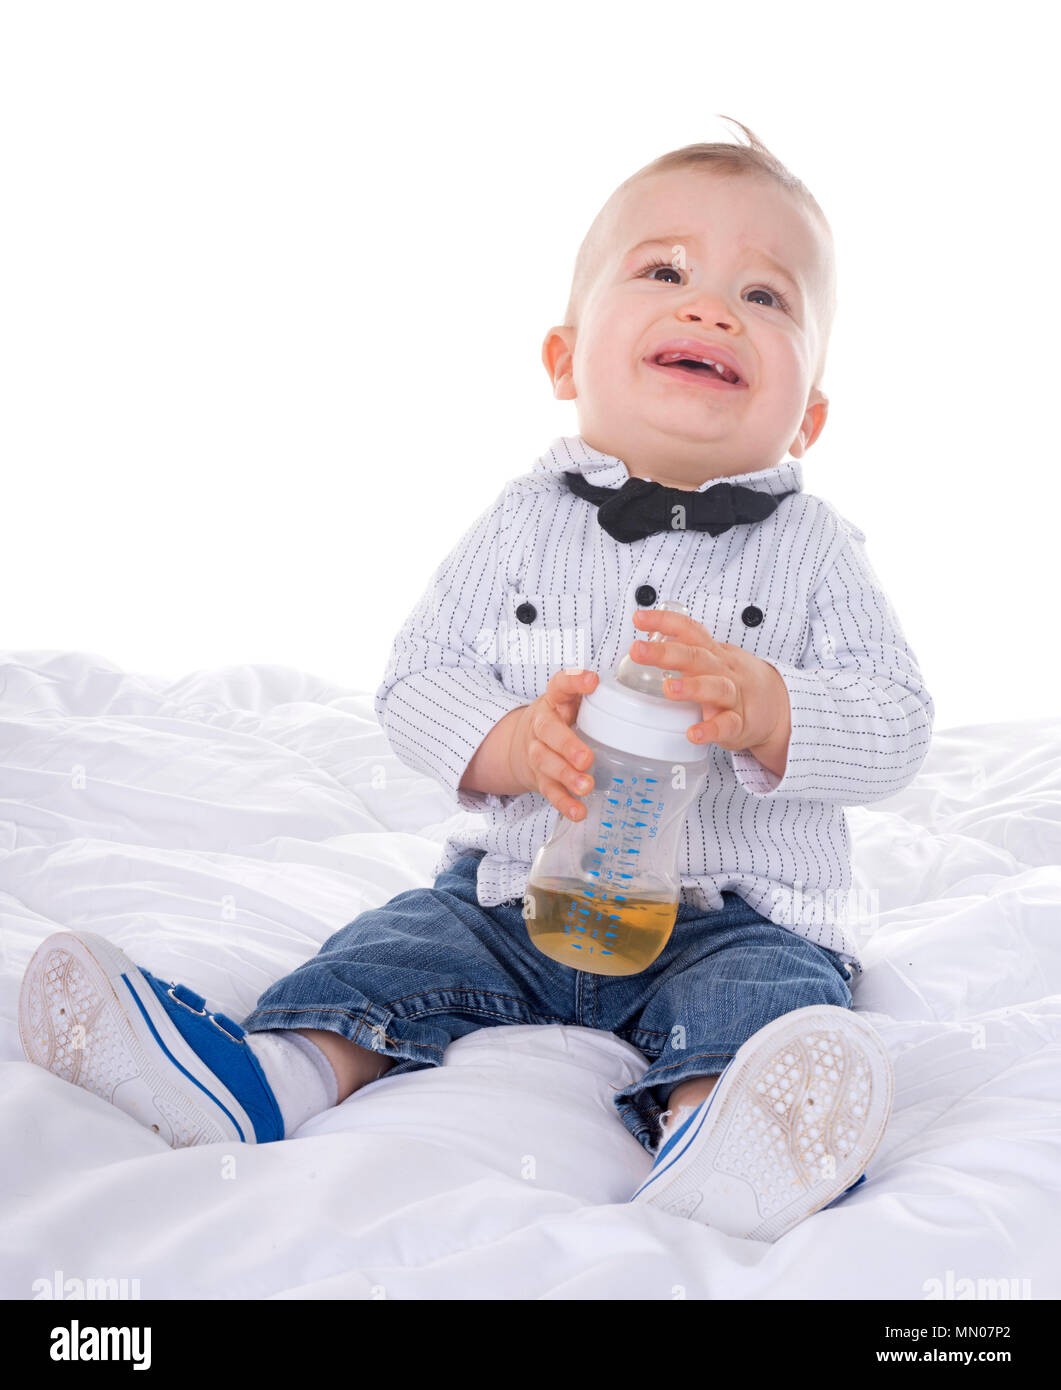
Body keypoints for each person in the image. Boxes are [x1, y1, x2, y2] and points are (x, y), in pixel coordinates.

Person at [19, 117, 932, 1242]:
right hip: (515, 890)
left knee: (764, 1005)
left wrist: (773, 708)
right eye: (664, 271)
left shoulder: (813, 551)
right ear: (564, 357)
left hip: (730, 911)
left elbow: (896, 719)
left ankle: (721, 1135)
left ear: (813, 415)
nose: (710, 307)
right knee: (400, 951)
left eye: (765, 296)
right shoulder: (518, 525)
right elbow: (418, 679)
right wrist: (509, 741)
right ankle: (263, 1076)